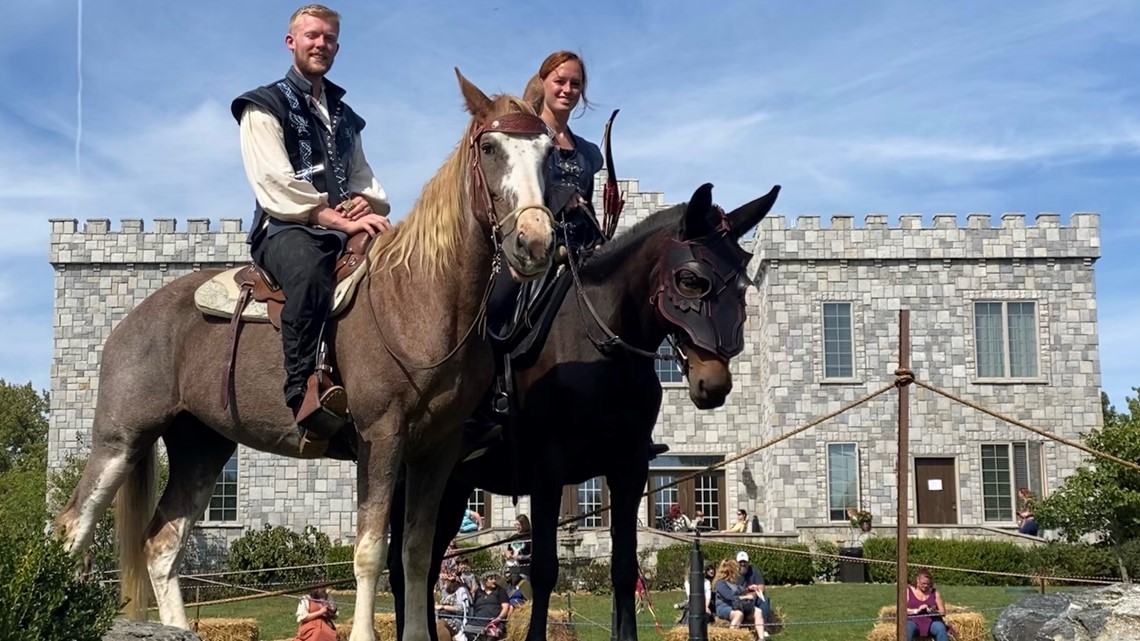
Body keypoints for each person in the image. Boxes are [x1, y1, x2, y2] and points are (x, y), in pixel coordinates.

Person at [232, 4, 392, 448]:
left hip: (340, 228)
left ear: (337, 47)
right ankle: (304, 393)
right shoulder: (263, 104)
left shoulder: (345, 116)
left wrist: (364, 203)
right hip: (285, 229)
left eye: (329, 38)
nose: (321, 44)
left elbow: (363, 178)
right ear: (292, 42)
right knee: (308, 271)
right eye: (312, 36)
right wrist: (331, 216)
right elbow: (274, 182)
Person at [711, 559, 763, 638]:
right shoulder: (721, 583)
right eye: (737, 569)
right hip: (724, 607)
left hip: (737, 605)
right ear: (731, 571)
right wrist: (746, 597)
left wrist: (749, 589)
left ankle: (761, 638)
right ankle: (731, 637)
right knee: (738, 614)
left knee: (758, 611)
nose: (738, 571)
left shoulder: (734, 583)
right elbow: (730, 597)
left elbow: (741, 590)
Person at [905, 568, 952, 641]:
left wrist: (934, 611)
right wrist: (917, 610)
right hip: (912, 620)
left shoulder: (934, 592)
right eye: (923, 583)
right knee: (907, 629)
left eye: (928, 584)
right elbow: (901, 611)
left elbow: (943, 612)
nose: (926, 586)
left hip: (931, 621)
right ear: (917, 580)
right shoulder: (908, 591)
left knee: (940, 628)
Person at [735, 551, 771, 639]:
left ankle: (764, 628)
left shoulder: (754, 571)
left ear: (748, 562)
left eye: (744, 562)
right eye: (740, 562)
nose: (743, 564)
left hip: (754, 596)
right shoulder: (734, 573)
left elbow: (761, 587)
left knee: (764, 600)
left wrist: (755, 591)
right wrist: (746, 594)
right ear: (736, 562)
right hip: (740, 598)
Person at [435, 573, 472, 637]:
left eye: (445, 581)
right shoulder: (444, 592)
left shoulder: (460, 590)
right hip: (441, 618)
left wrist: (444, 607)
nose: (443, 584)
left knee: (440, 624)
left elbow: (462, 609)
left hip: (455, 620)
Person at [503, 514, 532, 585]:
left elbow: (534, 555)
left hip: (526, 570)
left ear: (524, 525)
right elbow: (508, 550)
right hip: (513, 569)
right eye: (515, 524)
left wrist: (520, 557)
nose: (516, 527)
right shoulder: (514, 537)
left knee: (523, 587)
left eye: (518, 525)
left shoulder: (530, 537)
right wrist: (507, 553)